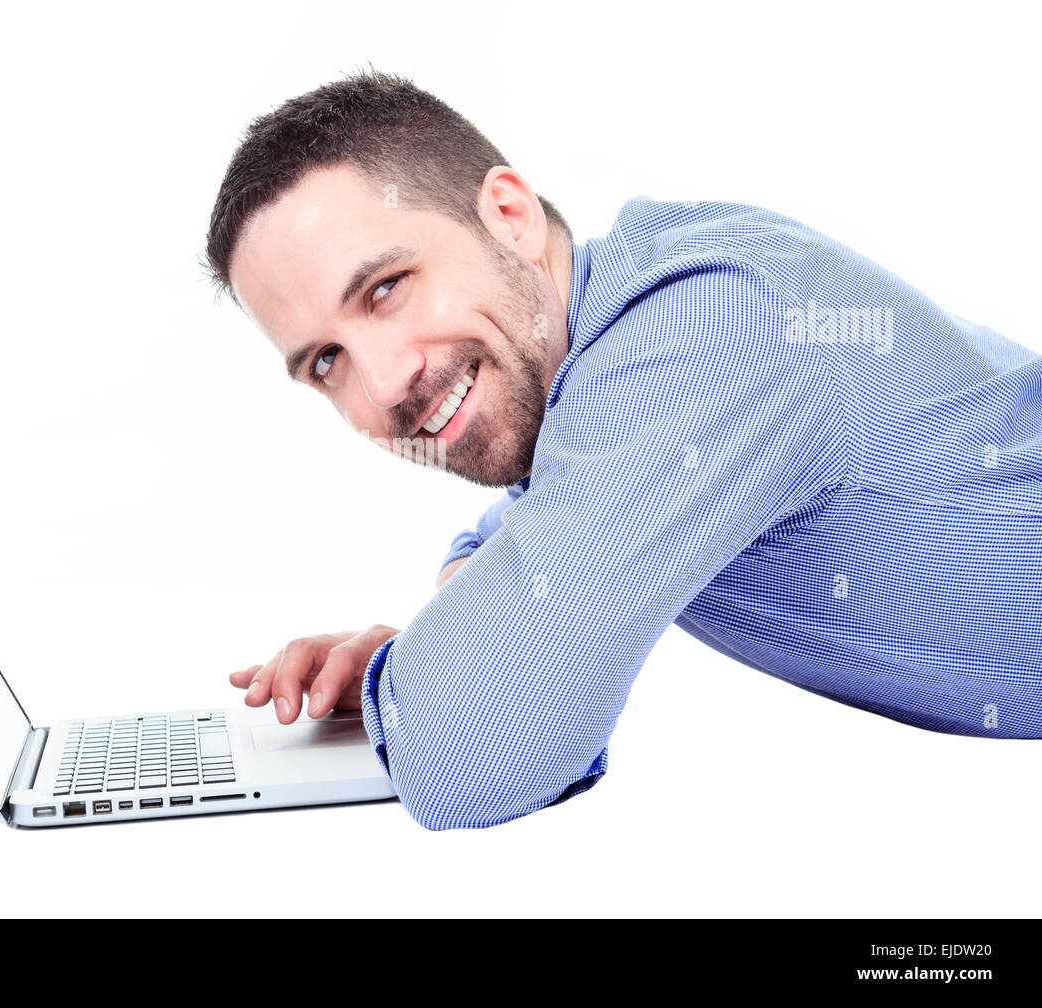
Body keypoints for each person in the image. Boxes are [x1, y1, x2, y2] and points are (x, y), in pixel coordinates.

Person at [200, 69, 1042, 831]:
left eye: (385, 289)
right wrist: (433, 652)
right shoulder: (594, 375)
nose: (381, 386)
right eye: (326, 362)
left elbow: (471, 756)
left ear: (509, 216)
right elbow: (502, 534)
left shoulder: (704, 330)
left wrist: (424, 676)